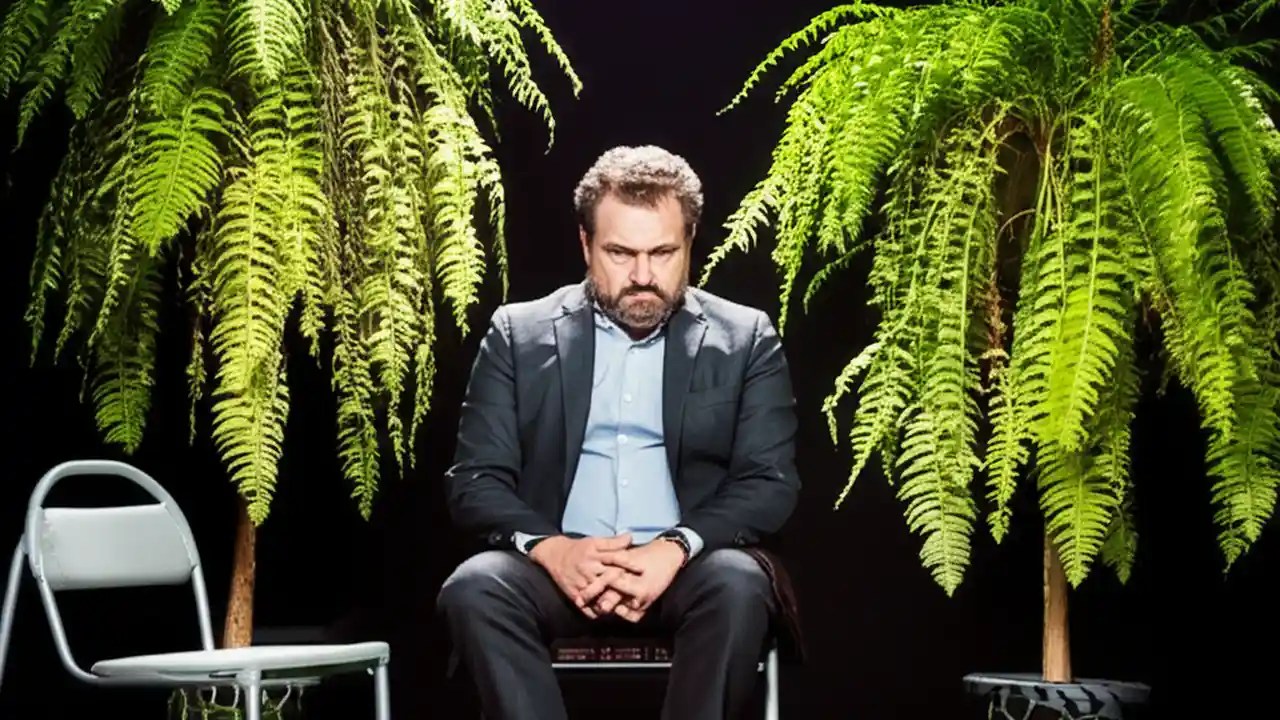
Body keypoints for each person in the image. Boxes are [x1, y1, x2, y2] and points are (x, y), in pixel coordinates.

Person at [436, 145, 801, 720]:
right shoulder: (518, 334)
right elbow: (475, 481)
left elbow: (769, 482)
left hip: (686, 568)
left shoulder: (745, 338)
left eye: (662, 253)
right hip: (558, 569)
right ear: (585, 246)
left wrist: (674, 548)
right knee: (475, 586)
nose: (642, 277)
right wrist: (555, 551)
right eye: (619, 253)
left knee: (737, 583)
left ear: (690, 246)